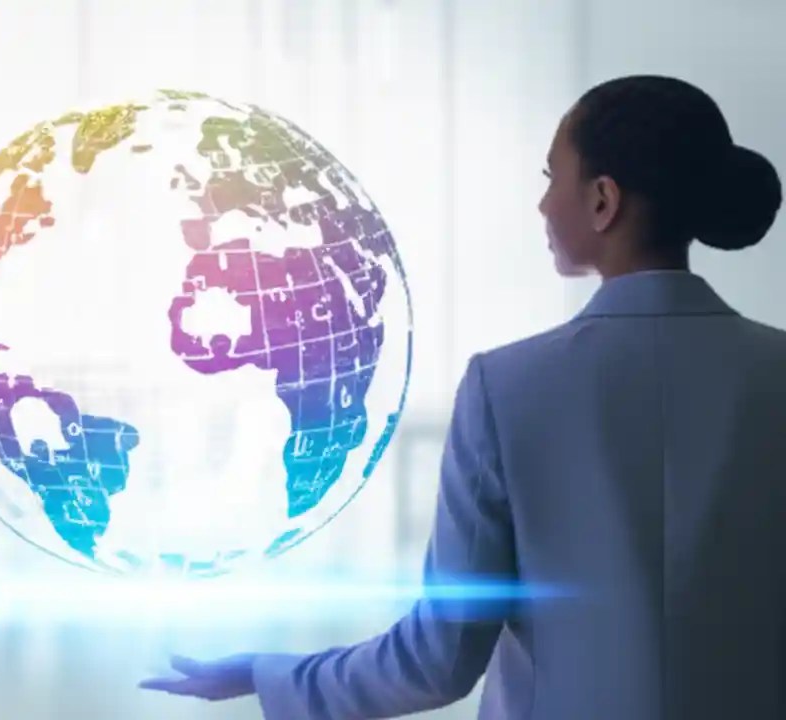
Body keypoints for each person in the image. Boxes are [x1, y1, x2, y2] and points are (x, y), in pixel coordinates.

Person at [139, 74, 786, 718]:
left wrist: (271, 675)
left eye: (550, 176)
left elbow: (438, 660)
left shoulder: (507, 388)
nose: (541, 205)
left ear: (602, 200)